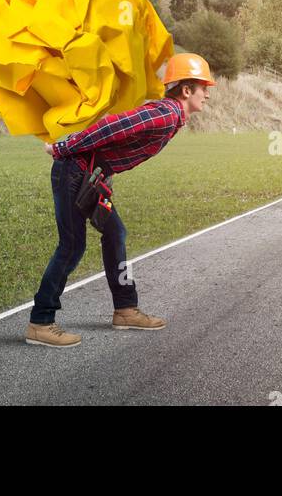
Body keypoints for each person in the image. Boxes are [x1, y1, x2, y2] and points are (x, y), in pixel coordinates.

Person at [25, 53, 215, 347]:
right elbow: (112, 126)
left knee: (116, 233)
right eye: (204, 87)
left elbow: (117, 143)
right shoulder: (166, 113)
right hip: (74, 169)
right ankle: (41, 321)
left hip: (90, 175)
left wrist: (103, 177)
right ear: (187, 90)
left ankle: (125, 310)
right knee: (72, 246)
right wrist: (64, 147)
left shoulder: (173, 117)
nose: (208, 93)